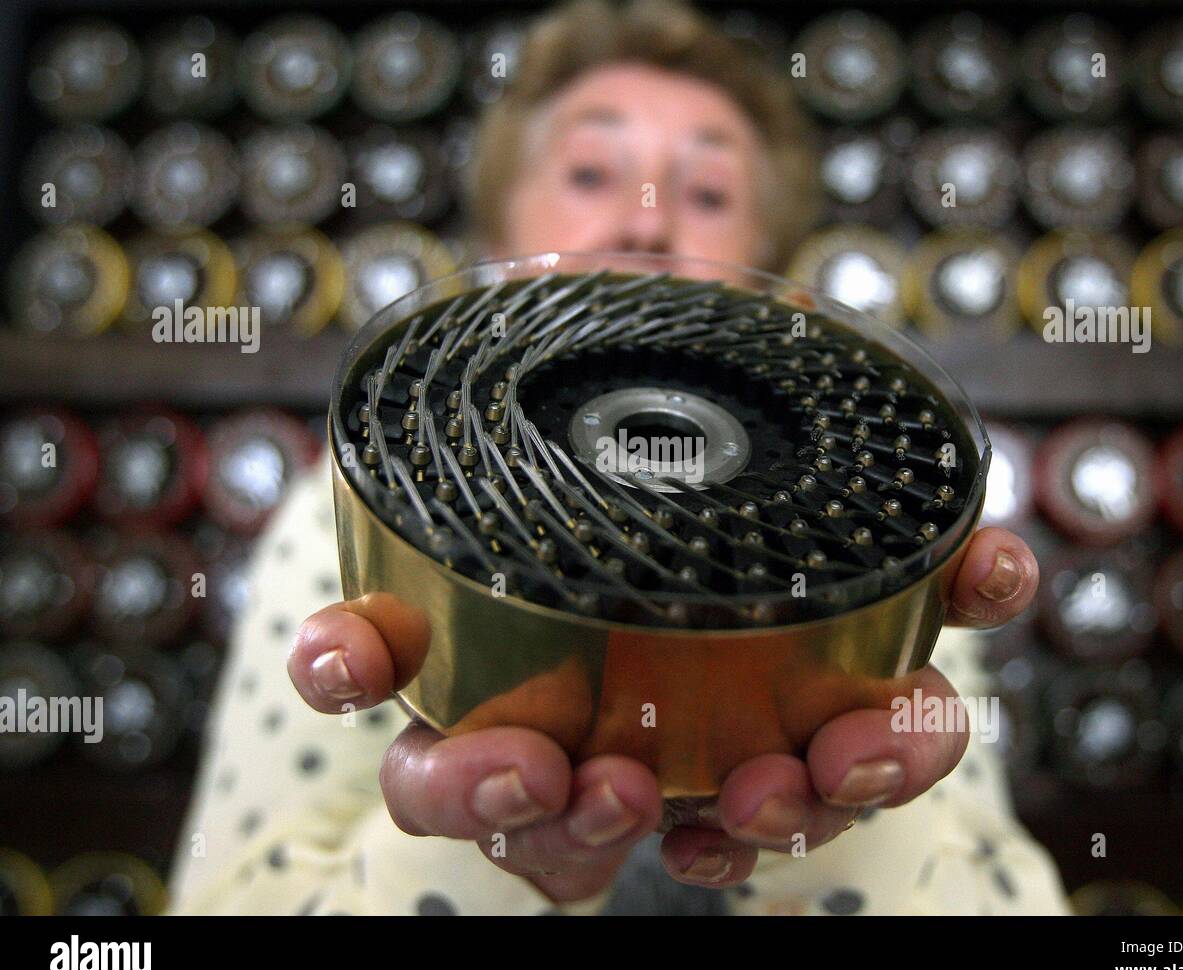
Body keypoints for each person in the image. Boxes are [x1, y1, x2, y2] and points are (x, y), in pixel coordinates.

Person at [169, 0, 1069, 915]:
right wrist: (487, 853)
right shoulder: (344, 514)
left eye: (710, 193)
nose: (647, 222)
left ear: (780, 285)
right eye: (592, 172)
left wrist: (841, 817)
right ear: (496, 245)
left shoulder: (884, 546)